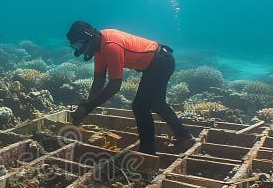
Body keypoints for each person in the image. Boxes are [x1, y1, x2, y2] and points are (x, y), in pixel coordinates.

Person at [66, 20, 195, 155]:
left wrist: (87, 108)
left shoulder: (110, 46)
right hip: (160, 61)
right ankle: (185, 137)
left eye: (79, 45)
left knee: (139, 106)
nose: (80, 50)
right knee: (157, 104)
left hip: (160, 62)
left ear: (88, 37)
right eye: (75, 47)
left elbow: (114, 86)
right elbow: (99, 80)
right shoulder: (99, 48)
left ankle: (148, 153)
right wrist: (87, 106)